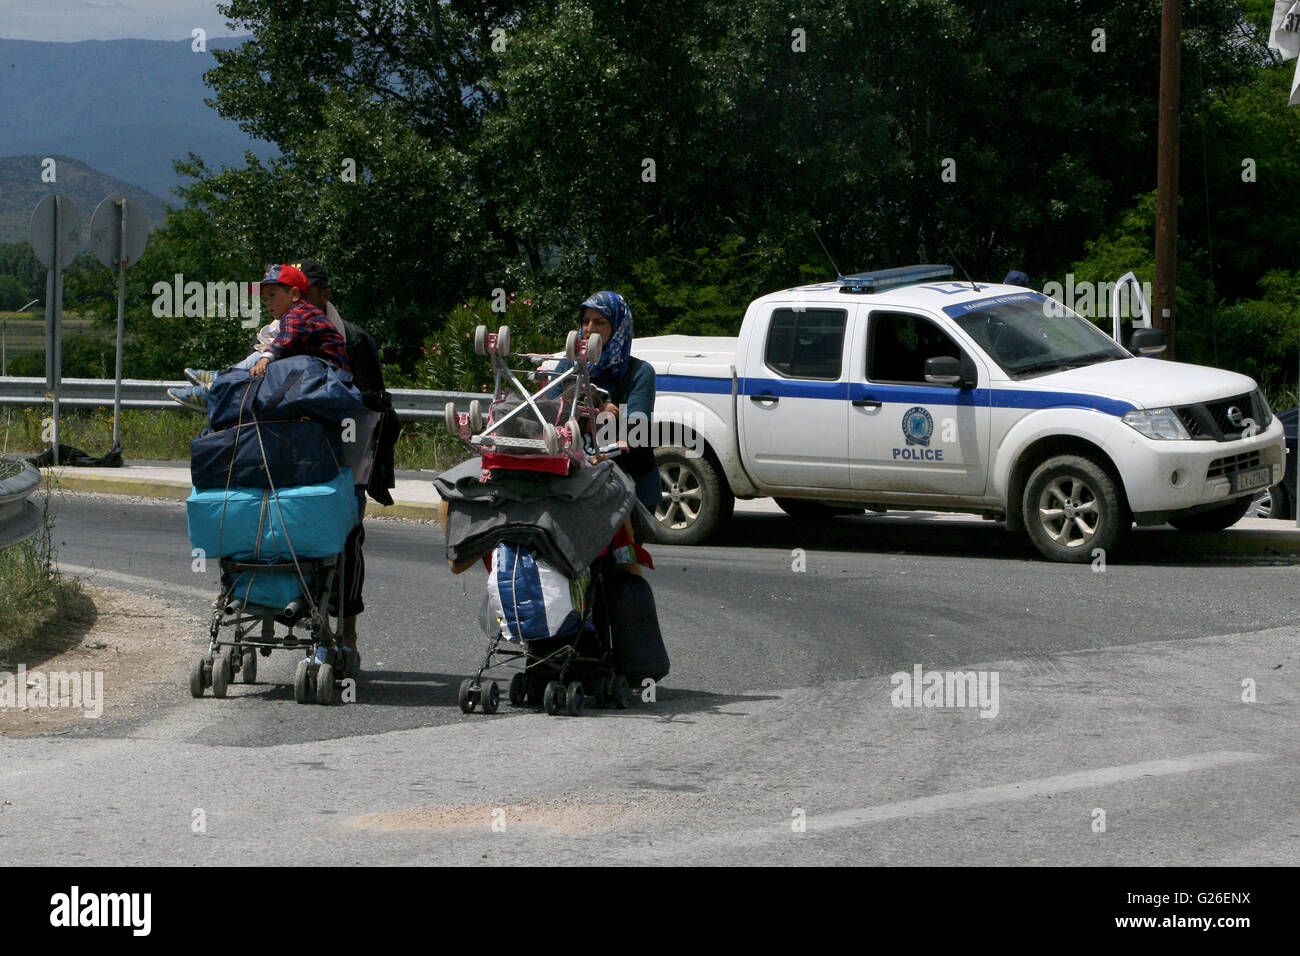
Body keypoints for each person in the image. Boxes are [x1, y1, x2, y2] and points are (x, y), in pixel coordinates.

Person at [166, 262, 349, 410]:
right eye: (265, 298)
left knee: (262, 360)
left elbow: (286, 338)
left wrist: (266, 358)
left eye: (272, 295)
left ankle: (215, 388)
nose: (267, 303)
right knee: (260, 361)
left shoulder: (300, 313)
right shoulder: (299, 315)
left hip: (329, 378)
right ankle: (219, 383)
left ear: (294, 294)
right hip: (320, 376)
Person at [551, 291, 661, 515]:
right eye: (585, 321)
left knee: (622, 550)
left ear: (618, 327)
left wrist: (600, 416)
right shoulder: (566, 368)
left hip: (630, 485)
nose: (590, 328)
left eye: (600, 322)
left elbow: (636, 430)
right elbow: (548, 412)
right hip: (573, 481)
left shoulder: (639, 372)